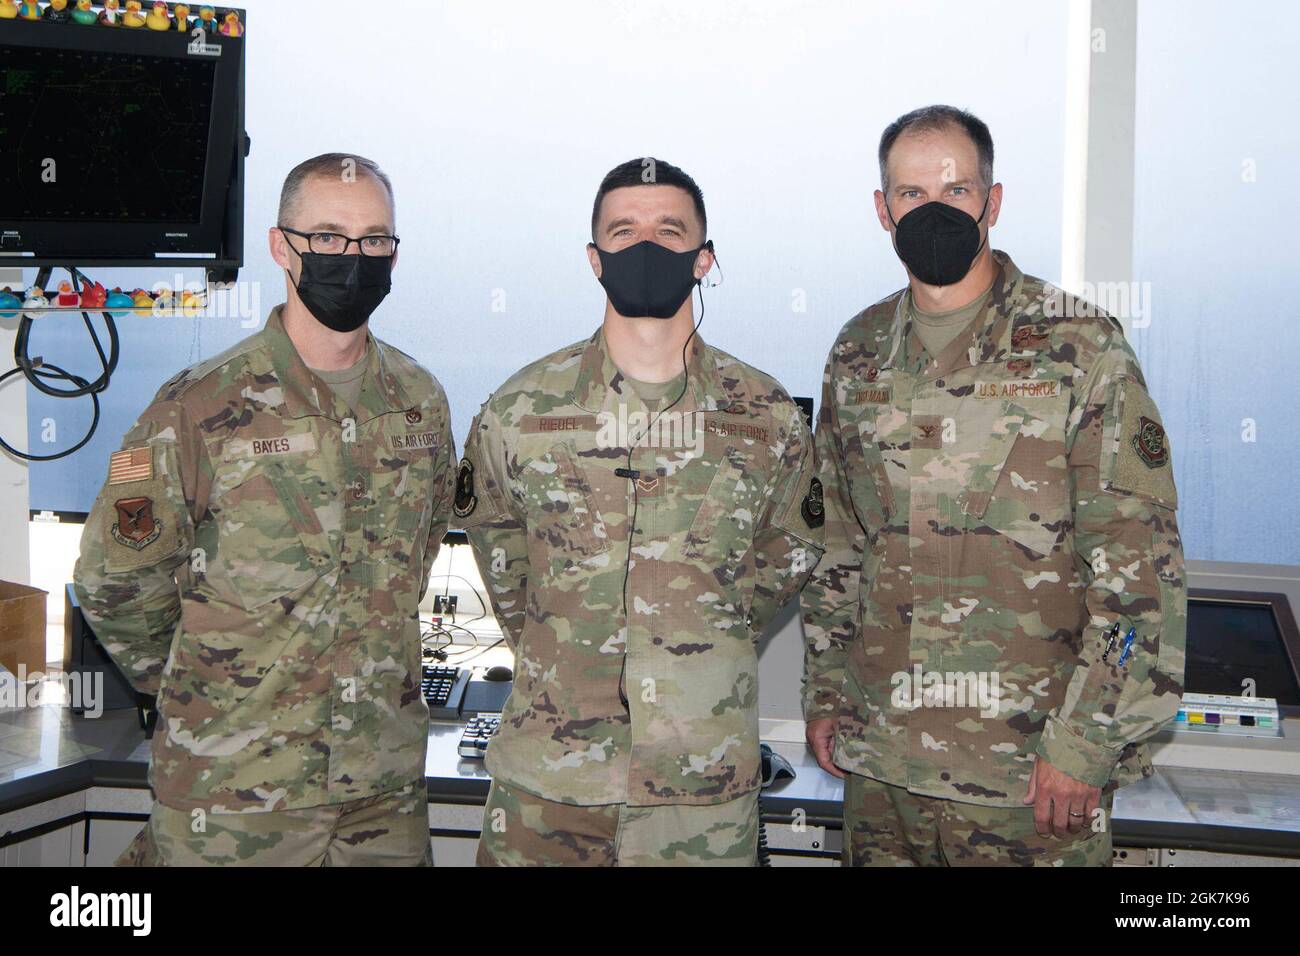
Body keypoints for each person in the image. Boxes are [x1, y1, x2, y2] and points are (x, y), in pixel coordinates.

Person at [801, 106, 1186, 866]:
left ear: (993, 201)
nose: (934, 208)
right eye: (911, 194)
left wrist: (1086, 743)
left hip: (1033, 774)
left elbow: (1140, 577)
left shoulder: (1080, 346)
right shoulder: (858, 350)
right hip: (885, 763)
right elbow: (838, 545)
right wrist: (824, 693)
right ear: (883, 211)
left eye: (957, 187)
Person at [74, 153, 455, 866]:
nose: (356, 257)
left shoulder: (419, 400)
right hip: (235, 790)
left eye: (376, 240)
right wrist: (209, 690)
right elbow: (117, 583)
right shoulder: (198, 405)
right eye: (332, 237)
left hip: (383, 789)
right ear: (283, 247)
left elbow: (421, 547)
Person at [460, 157, 824, 866]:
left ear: (704, 258)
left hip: (701, 788)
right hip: (551, 780)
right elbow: (499, 547)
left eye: (669, 230)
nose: (646, 247)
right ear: (594, 260)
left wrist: (698, 634)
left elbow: (791, 554)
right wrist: (564, 637)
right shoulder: (522, 408)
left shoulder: (766, 415)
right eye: (623, 232)